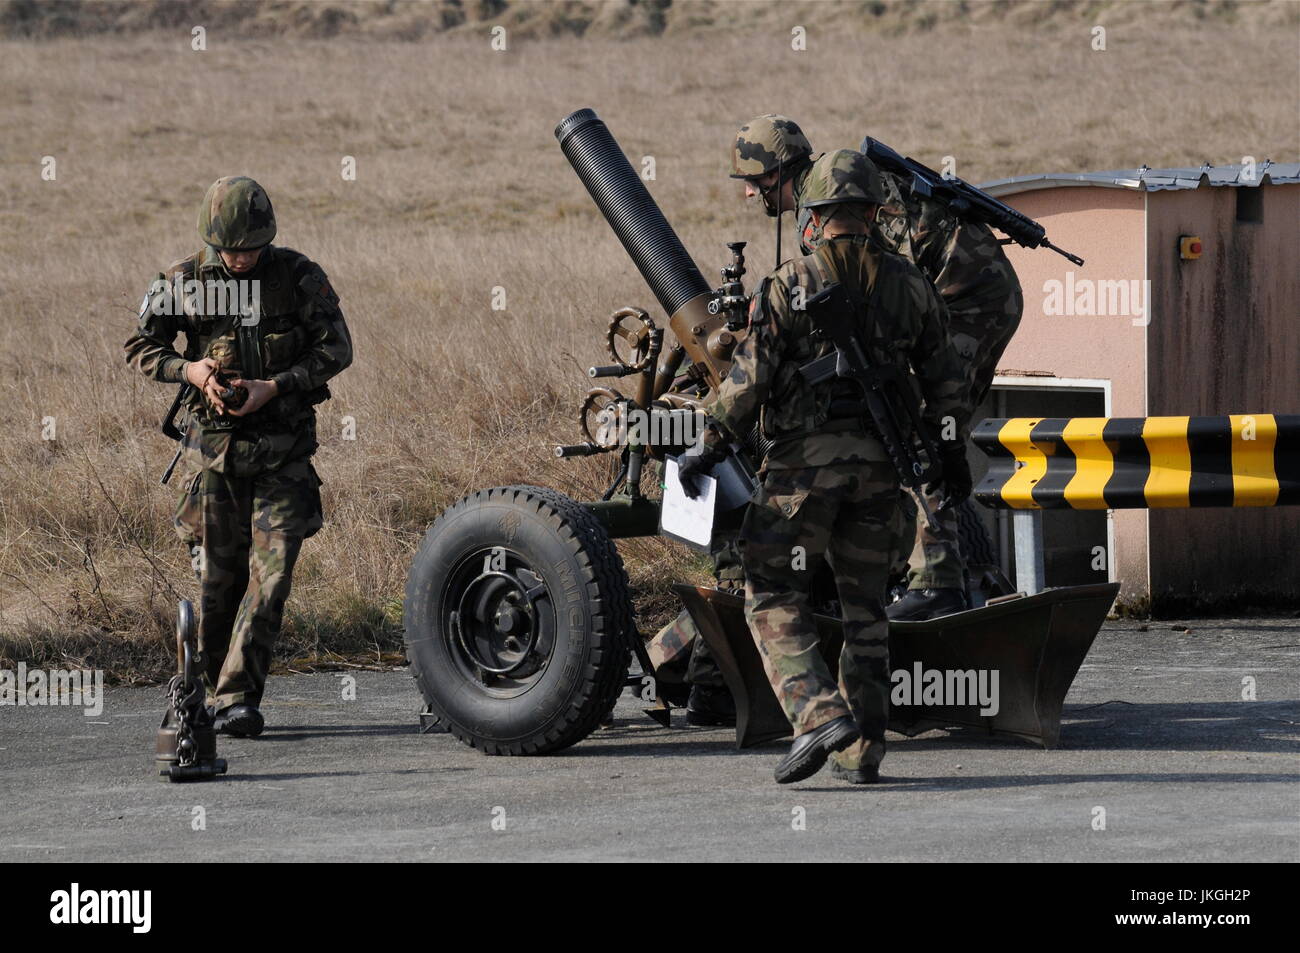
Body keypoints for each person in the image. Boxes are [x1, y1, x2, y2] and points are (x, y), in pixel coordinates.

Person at [676, 150, 971, 784]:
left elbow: (748, 382)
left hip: (800, 476)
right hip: (882, 471)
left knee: (772, 589)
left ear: (813, 214)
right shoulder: (910, 282)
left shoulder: (789, 283)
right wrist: (949, 455)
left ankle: (815, 717)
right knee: (866, 609)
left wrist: (709, 444)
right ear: (872, 210)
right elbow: (949, 381)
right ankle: (861, 752)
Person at [734, 113, 1024, 620]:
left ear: (777, 174)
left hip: (969, 300)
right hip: (953, 292)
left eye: (754, 184)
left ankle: (937, 582)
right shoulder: (830, 188)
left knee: (915, 426)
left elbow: (888, 281)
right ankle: (922, 563)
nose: (751, 197)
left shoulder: (832, 198)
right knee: (905, 420)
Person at [125, 176, 353, 738]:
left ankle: (239, 698)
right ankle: (198, 696)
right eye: (232, 250)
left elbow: (337, 347)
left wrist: (276, 386)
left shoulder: (299, 276)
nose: (242, 258)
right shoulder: (182, 281)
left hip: (285, 454)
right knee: (218, 585)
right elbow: (140, 346)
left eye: (252, 247)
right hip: (216, 459)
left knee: (270, 582)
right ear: (211, 242)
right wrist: (193, 371)